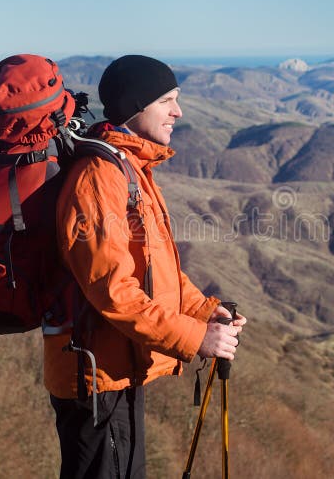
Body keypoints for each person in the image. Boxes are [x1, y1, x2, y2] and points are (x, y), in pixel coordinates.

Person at [44, 55, 246, 478]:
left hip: (117, 370)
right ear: (137, 106)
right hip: (97, 378)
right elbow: (113, 291)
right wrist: (195, 338)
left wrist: (204, 312)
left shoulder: (128, 167)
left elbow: (155, 272)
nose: (178, 111)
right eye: (167, 100)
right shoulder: (99, 177)